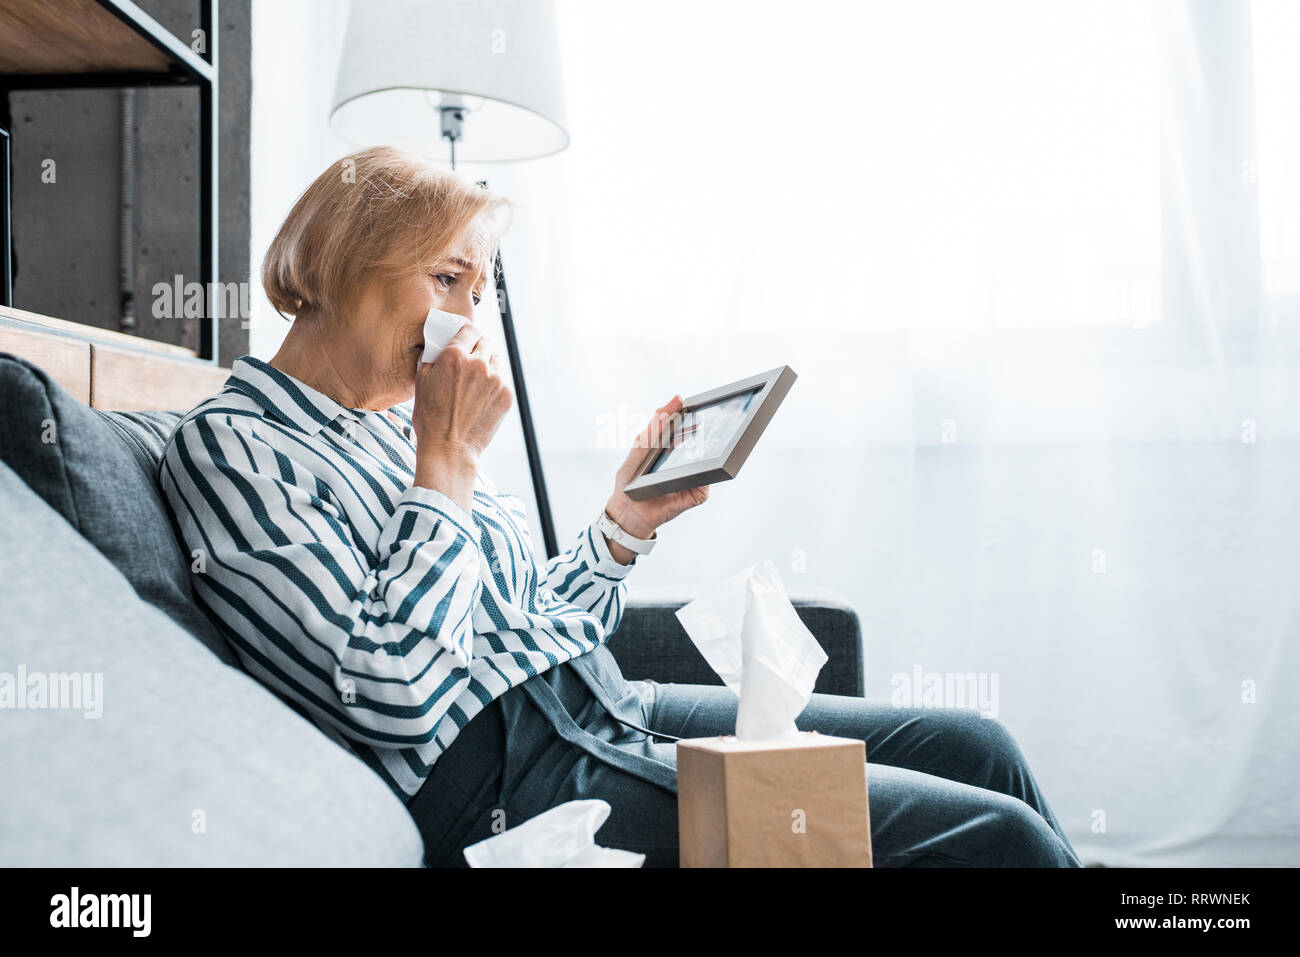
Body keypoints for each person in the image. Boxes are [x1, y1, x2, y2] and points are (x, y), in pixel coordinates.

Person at [160, 145, 1082, 868]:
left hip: (601, 703)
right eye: (446, 280)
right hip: (507, 775)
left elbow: (534, 625)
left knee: (980, 747)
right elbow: (393, 695)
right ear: (338, 262)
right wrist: (446, 463)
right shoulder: (235, 447)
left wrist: (621, 524)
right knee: (998, 841)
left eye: (477, 293)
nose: (466, 322)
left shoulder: (397, 426)